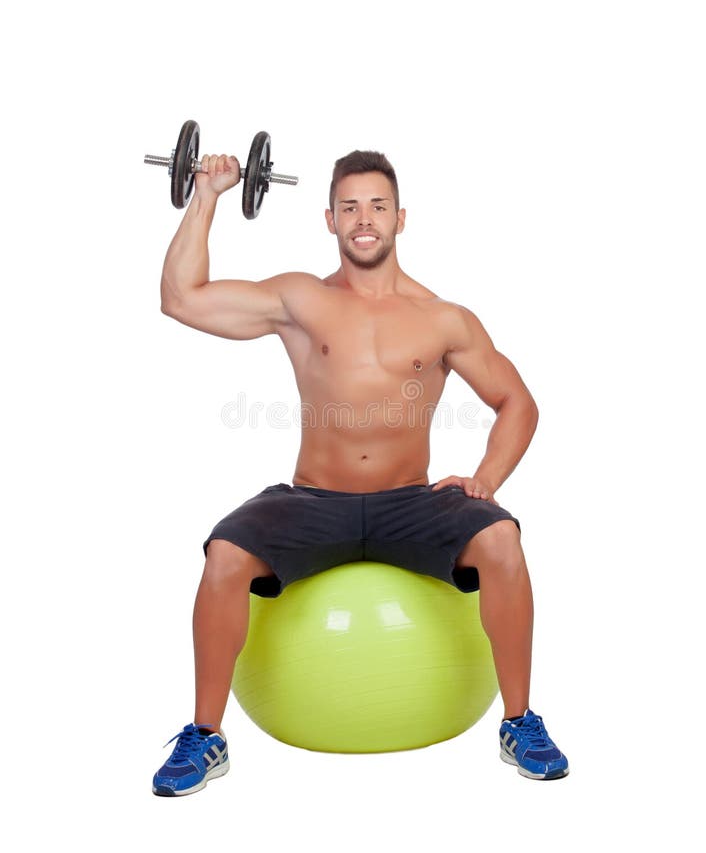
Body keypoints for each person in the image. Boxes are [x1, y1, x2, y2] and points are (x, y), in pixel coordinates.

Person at [152, 149, 569, 796]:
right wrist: (206, 194)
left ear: (400, 218)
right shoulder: (300, 298)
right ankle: (205, 736)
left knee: (501, 538)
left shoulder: (442, 318)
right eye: (349, 207)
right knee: (226, 553)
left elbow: (517, 402)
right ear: (329, 219)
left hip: (411, 502)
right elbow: (181, 299)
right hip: (315, 498)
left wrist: (485, 479)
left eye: (376, 206)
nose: (363, 219)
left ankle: (518, 722)